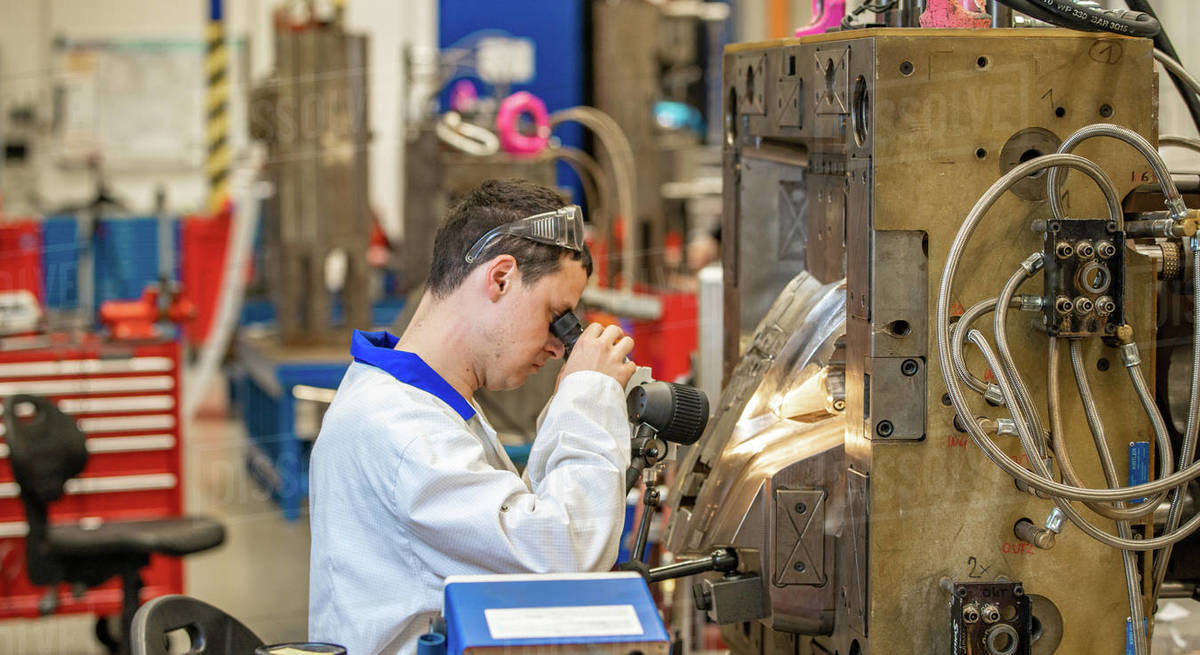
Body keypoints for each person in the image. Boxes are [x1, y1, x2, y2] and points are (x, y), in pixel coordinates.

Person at [308, 178, 637, 655]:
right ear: (500, 277)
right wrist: (589, 396)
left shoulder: (421, 403)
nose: (555, 344)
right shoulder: (399, 430)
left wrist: (573, 402)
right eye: (555, 315)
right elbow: (563, 559)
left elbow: (520, 526)